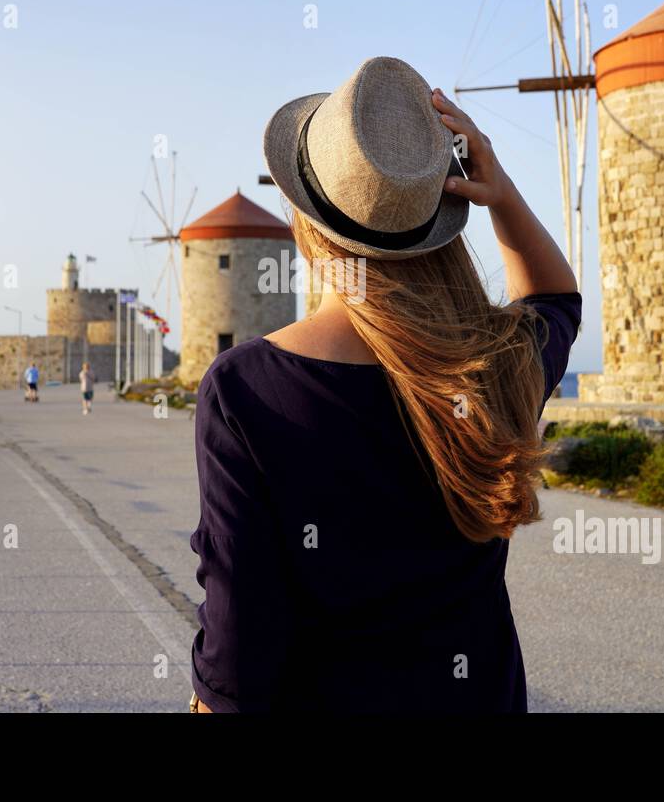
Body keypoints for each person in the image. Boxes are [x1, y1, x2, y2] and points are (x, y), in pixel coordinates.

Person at [187, 57, 580, 713]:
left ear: (305, 225)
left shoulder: (246, 390)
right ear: (439, 217)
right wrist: (503, 192)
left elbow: (239, 648)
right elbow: (554, 296)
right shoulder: (494, 365)